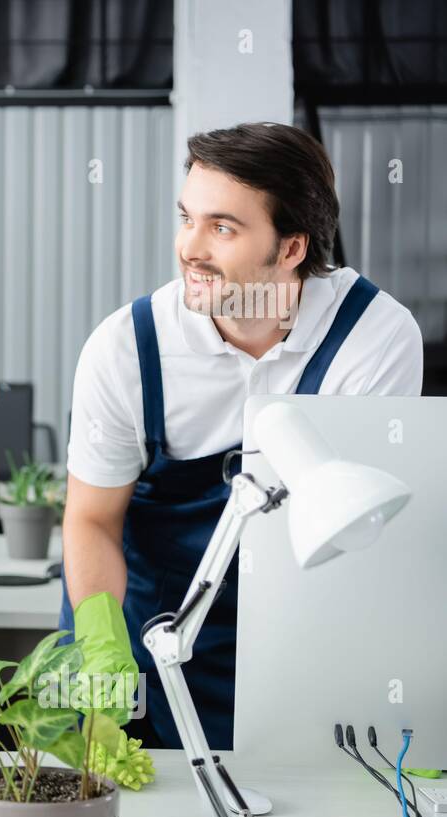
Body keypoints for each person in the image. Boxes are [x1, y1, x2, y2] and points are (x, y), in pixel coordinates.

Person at [61, 122, 423, 750]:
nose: (190, 248)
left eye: (222, 227)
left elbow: (354, 530)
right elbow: (91, 519)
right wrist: (101, 650)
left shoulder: (374, 336)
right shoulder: (125, 347)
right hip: (135, 621)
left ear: (290, 249)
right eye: (187, 218)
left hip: (288, 626)